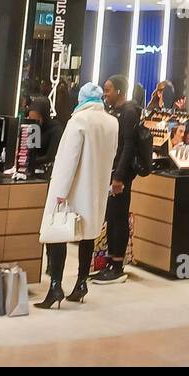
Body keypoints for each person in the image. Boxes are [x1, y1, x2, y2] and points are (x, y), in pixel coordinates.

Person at [35, 82, 118, 309]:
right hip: (97, 188)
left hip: (73, 189)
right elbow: (111, 155)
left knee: (56, 234)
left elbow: (67, 159)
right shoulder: (112, 123)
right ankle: (81, 282)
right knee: (88, 235)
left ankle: (55, 286)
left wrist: (60, 192)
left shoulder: (78, 121)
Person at [92, 73, 141, 284]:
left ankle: (117, 265)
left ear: (119, 91)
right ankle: (110, 261)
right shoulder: (115, 111)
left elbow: (128, 147)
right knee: (111, 217)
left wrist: (119, 176)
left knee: (118, 218)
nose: (105, 93)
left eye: (108, 89)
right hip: (112, 172)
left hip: (121, 175)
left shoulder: (129, 112)